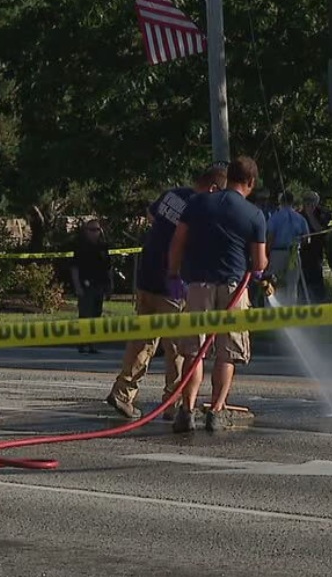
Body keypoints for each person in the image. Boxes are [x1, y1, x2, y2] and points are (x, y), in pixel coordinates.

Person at [104, 164, 227, 420]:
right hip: (173, 284)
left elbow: (151, 216)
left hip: (146, 276)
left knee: (142, 340)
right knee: (179, 348)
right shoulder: (199, 208)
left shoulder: (172, 194)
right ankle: (173, 403)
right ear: (213, 187)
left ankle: (123, 393)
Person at [166, 156, 267, 432]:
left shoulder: (197, 203)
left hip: (197, 285)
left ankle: (187, 411)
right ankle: (216, 410)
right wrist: (258, 272)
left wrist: (174, 275)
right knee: (227, 353)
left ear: (228, 176)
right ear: (250, 182)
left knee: (194, 352)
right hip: (234, 288)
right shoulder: (254, 214)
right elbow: (259, 263)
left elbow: (177, 242)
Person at [70, 219, 111, 354]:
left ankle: (92, 344)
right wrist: (77, 286)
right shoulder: (81, 247)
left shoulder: (103, 247)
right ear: (86, 232)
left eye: (97, 230)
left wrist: (109, 285)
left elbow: (108, 268)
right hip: (85, 285)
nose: (95, 233)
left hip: (100, 285)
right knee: (85, 315)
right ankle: (82, 343)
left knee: (96, 315)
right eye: (92, 230)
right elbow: (75, 268)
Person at [266, 191, 310, 303]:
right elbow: (307, 239)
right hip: (294, 253)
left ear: (280, 201)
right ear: (292, 201)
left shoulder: (275, 217)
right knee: (292, 285)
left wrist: (266, 253)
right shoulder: (300, 218)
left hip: (277, 253)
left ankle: (273, 307)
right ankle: (291, 309)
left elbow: (270, 237)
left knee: (274, 283)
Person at [300, 192, 332, 303]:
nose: (309, 204)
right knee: (303, 279)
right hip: (302, 252)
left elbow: (320, 230)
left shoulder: (322, 213)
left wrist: (310, 215)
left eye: (311, 201)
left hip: (316, 252)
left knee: (316, 278)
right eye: (307, 201)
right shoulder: (300, 214)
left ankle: (320, 301)